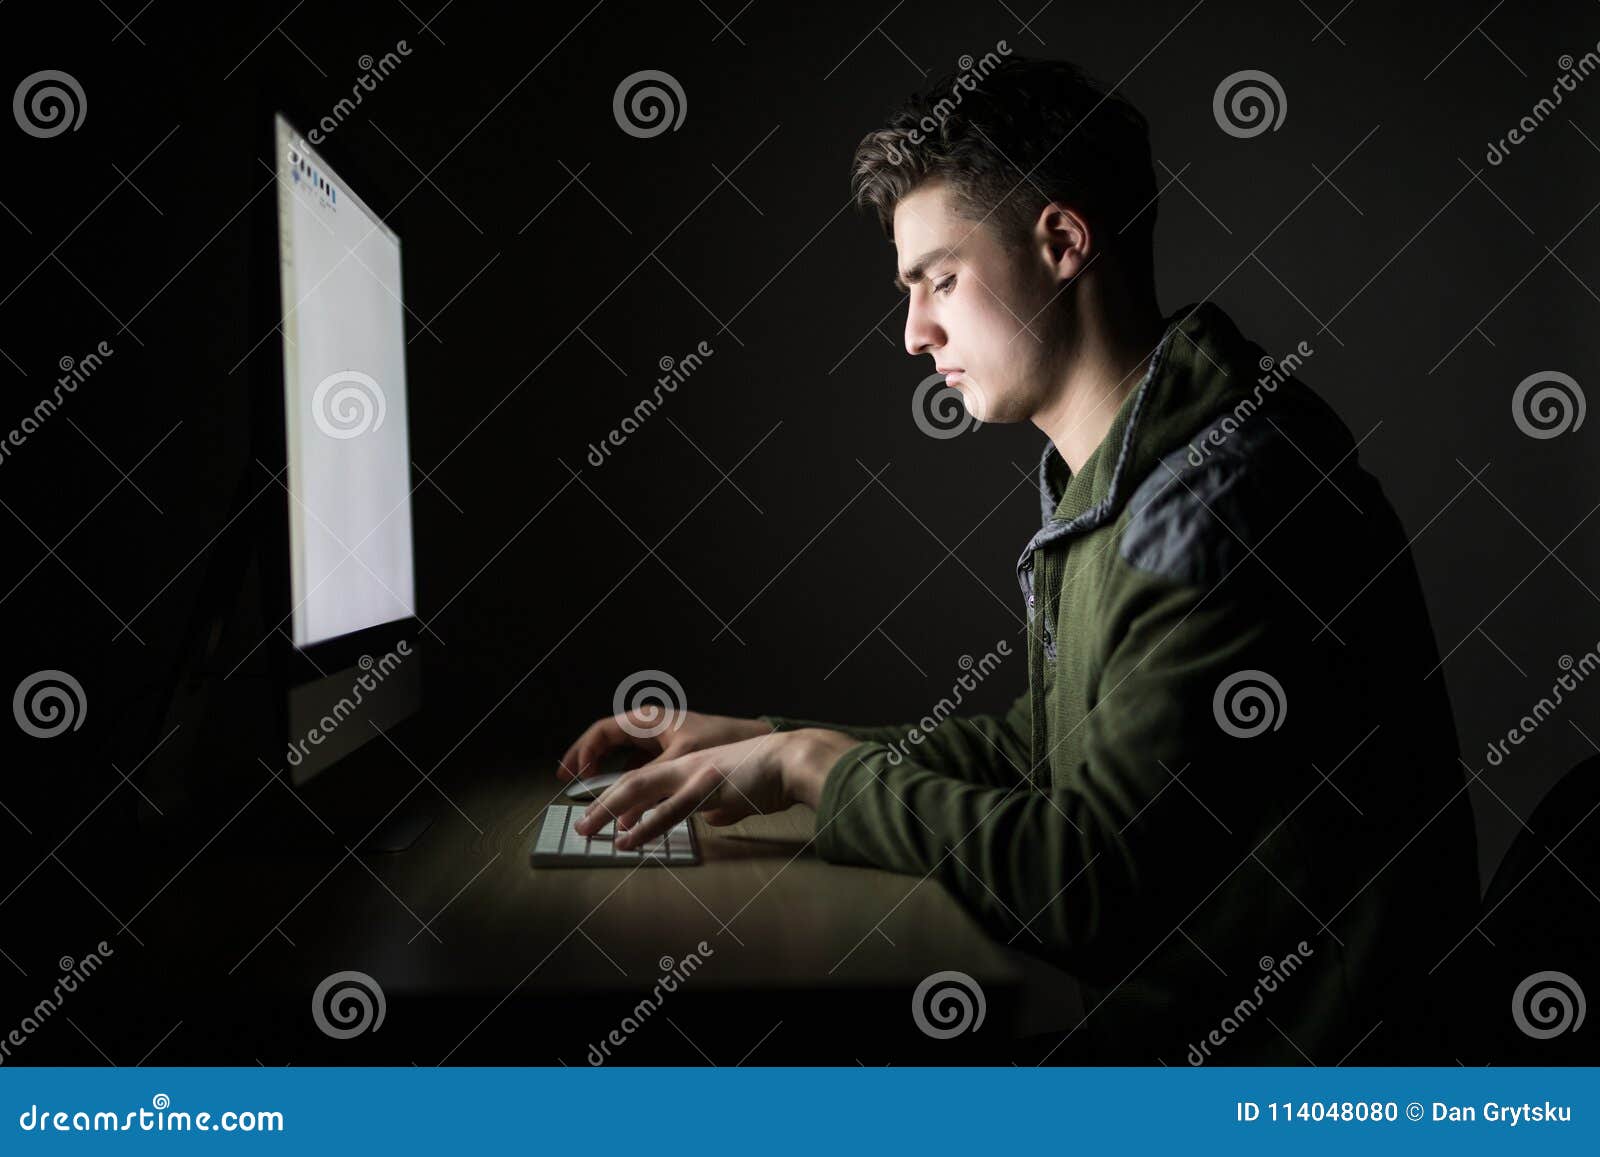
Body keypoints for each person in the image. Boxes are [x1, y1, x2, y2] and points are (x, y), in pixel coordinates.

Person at [559, 57, 1479, 1064]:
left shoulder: (1214, 500)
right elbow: (1051, 762)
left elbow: (1086, 883)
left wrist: (811, 767)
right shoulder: (1128, 464)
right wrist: (774, 741)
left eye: (939, 280)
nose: (914, 334)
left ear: (1060, 241)